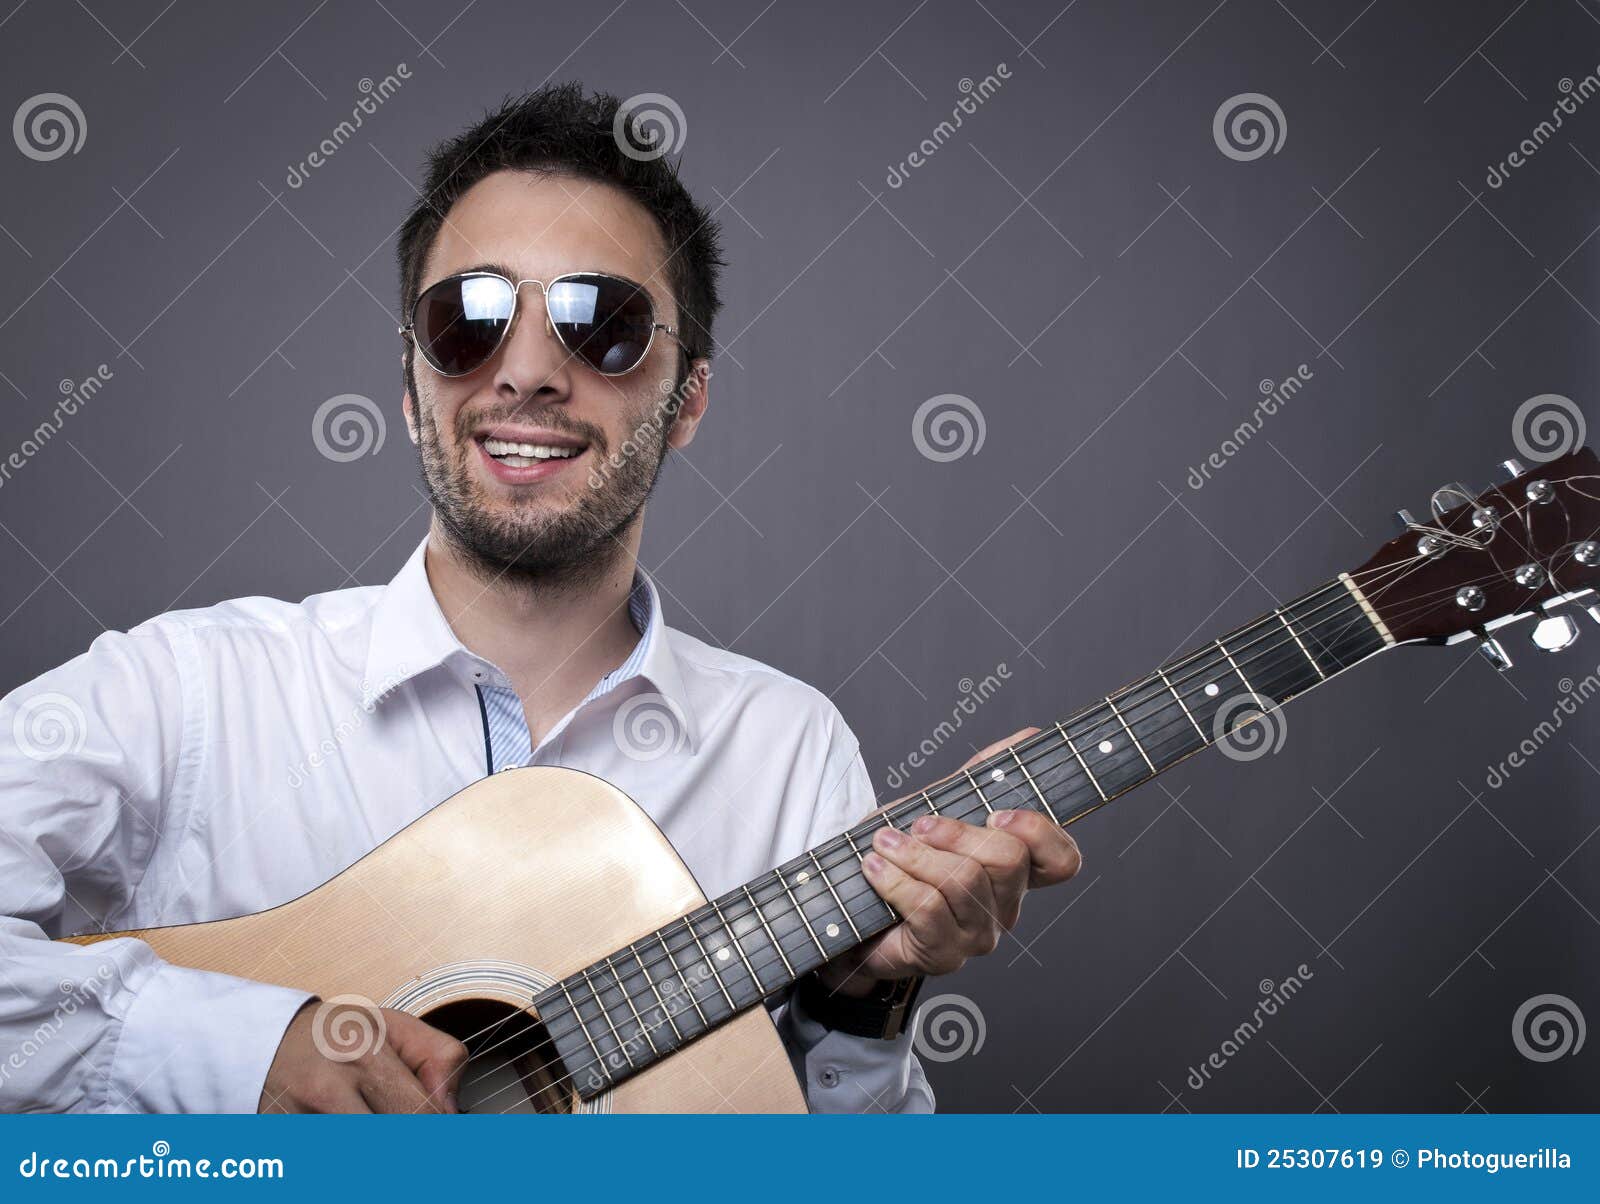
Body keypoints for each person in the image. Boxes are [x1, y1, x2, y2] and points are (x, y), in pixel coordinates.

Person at [0, 83, 1081, 1114]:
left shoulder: (790, 755)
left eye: (598, 323)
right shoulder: (187, 693)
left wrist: (864, 999)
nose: (523, 372)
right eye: (466, 320)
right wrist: (246, 1052)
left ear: (686, 396)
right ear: (412, 380)